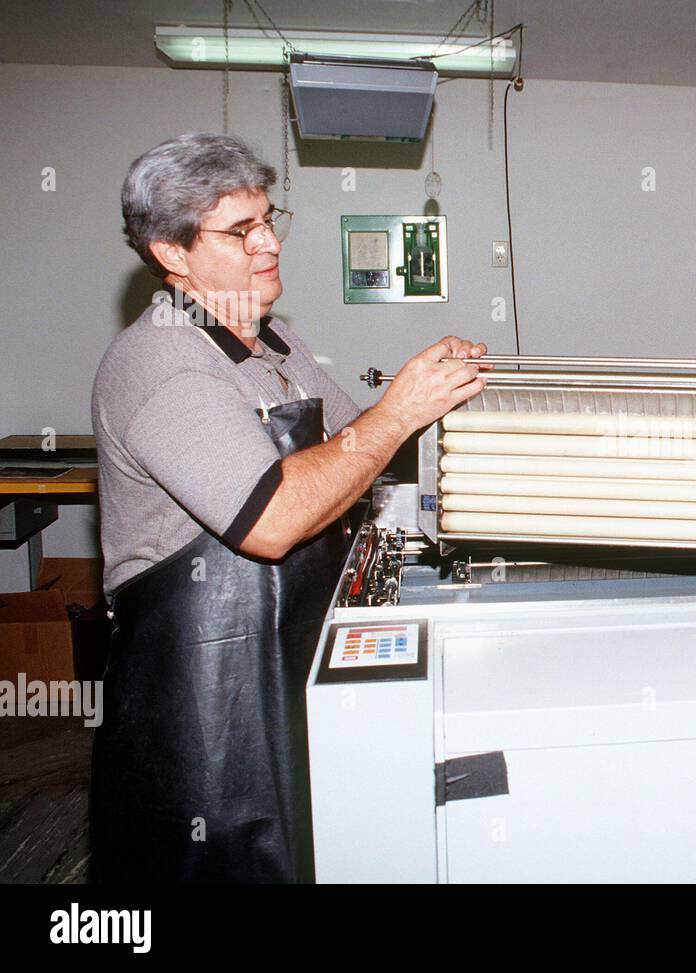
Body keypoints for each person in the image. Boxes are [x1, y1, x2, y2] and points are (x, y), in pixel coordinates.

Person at [90, 133, 488, 882]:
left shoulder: (275, 341)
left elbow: (355, 449)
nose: (269, 242)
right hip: (206, 704)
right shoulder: (162, 362)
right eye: (240, 231)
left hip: (285, 654)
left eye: (269, 218)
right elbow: (270, 520)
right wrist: (398, 412)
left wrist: (426, 391)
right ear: (170, 253)